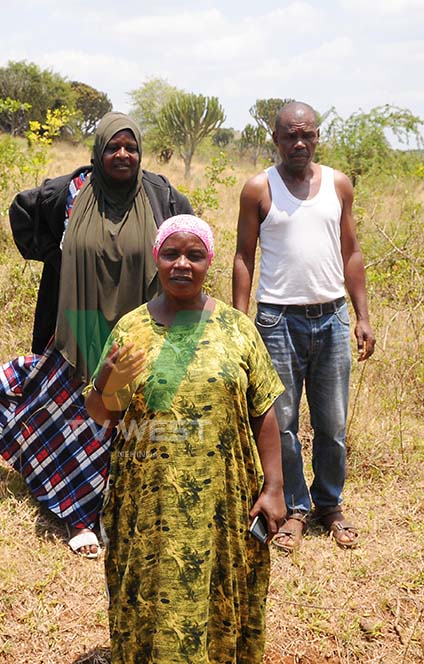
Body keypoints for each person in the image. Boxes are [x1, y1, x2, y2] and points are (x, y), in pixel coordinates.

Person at [0, 113, 192, 558]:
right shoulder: (69, 191)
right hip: (80, 322)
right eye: (113, 147)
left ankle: (124, 508)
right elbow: (22, 214)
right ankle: (76, 514)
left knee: (132, 420)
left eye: (130, 147)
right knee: (80, 418)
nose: (122, 155)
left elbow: (186, 240)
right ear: (98, 151)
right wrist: (59, 258)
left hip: (141, 325)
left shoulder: (160, 193)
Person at [84, 215, 286, 663]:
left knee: (219, 589)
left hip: (224, 496)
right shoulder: (131, 328)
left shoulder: (237, 329)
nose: (182, 264)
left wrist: (274, 487)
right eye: (171, 253)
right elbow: (103, 415)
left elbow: (265, 410)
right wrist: (106, 384)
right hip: (148, 497)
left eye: (194, 255)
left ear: (209, 262)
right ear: (156, 258)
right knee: (150, 592)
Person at [232, 101, 375, 551]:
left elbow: (351, 252)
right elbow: (243, 256)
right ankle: (294, 507)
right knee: (284, 421)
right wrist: (239, 323)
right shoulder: (259, 189)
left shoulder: (338, 185)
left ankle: (329, 504)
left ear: (317, 137)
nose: (299, 143)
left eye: (307, 135)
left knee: (332, 423)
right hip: (276, 320)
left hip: (331, 317)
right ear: (275, 139)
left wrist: (362, 315)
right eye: (290, 135)